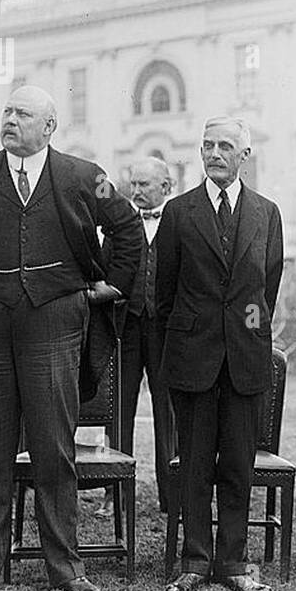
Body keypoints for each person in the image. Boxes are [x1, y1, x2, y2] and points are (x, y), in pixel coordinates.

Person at [0, 85, 142, 591]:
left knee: (53, 446)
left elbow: (127, 227)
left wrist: (108, 287)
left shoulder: (86, 177)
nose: (11, 120)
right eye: (7, 111)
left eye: (23, 113)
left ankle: (66, 567)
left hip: (56, 320)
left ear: (50, 126)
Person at [157, 118, 284, 591]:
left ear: (244, 155)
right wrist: (190, 337)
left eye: (225, 146)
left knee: (237, 464)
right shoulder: (179, 212)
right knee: (193, 463)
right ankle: (194, 559)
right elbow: (164, 293)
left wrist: (244, 333)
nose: (214, 153)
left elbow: (265, 287)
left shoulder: (266, 214)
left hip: (245, 360)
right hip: (193, 358)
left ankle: (232, 561)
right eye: (207, 145)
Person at [98, 156, 176, 518]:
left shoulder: (180, 221)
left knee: (169, 412)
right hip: (125, 328)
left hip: (165, 332)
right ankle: (115, 495)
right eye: (133, 184)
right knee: (119, 411)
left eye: (145, 184)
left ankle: (171, 495)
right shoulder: (118, 226)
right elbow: (103, 273)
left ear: (166, 187)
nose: (136, 191)